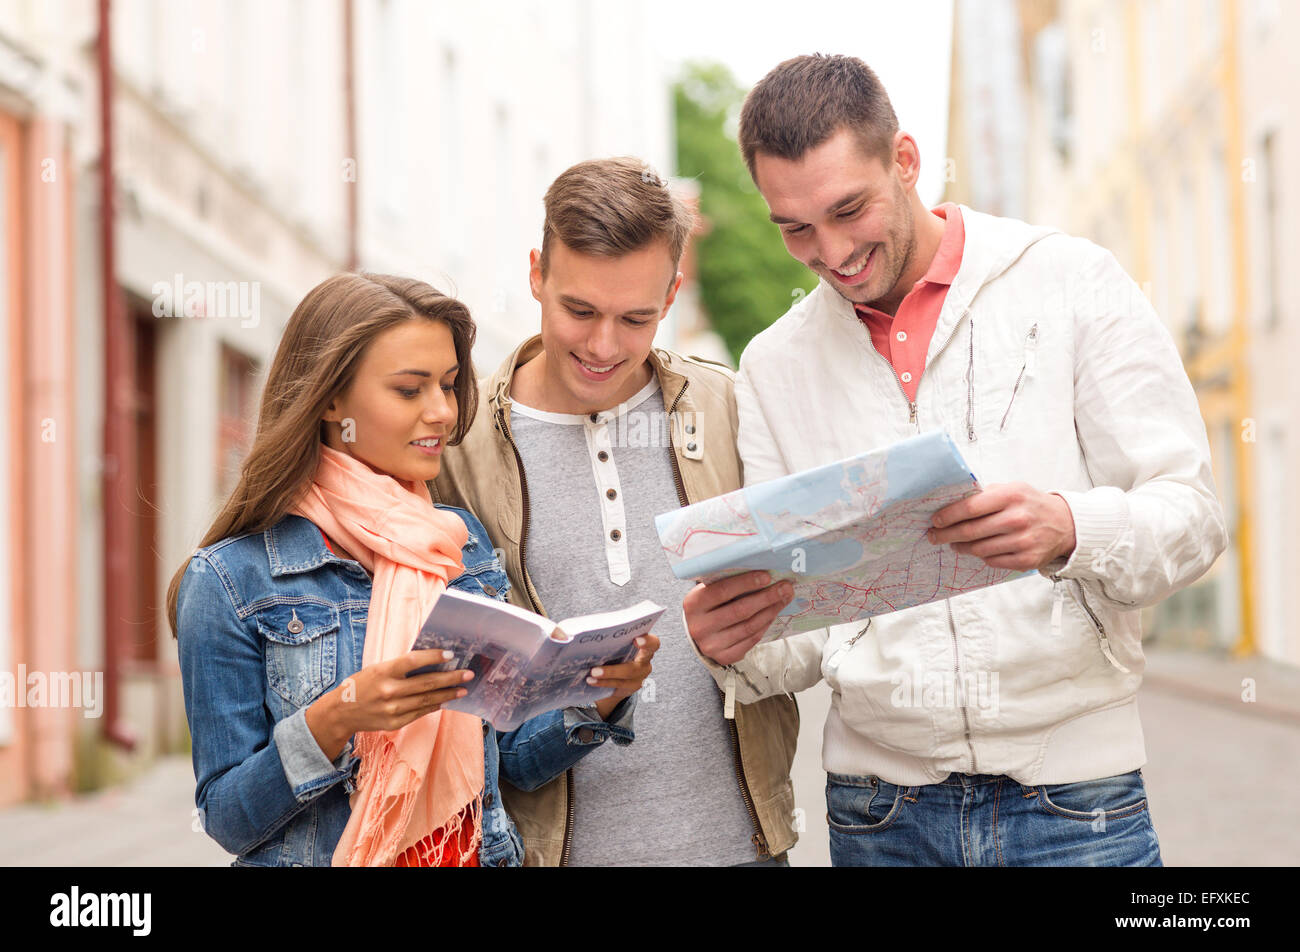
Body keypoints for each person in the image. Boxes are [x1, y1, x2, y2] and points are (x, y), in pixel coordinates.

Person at [683, 54, 1228, 867]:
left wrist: (1071, 527)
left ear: (905, 161)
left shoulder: (1070, 281)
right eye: (794, 226)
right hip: (880, 816)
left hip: (1079, 807)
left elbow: (1193, 515)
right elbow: (805, 635)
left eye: (848, 209)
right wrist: (737, 642)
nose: (829, 253)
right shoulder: (773, 367)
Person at [169, 272, 657, 867]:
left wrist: (597, 695)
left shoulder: (459, 544)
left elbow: (512, 762)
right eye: (409, 390)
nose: (442, 413)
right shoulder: (230, 580)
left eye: (449, 386)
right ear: (329, 400)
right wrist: (337, 718)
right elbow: (226, 818)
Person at [433, 158, 799, 866]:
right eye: (580, 311)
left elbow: (802, 613)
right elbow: (460, 694)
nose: (603, 346)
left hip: (743, 850)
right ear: (537, 272)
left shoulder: (727, 408)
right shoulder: (460, 440)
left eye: (635, 318)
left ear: (671, 295)